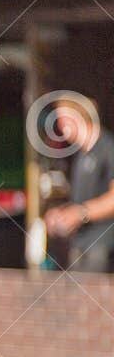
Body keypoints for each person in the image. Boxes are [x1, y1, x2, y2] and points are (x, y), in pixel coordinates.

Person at [42, 96, 114, 273]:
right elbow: (81, 201)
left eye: (63, 118)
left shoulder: (108, 148)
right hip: (80, 245)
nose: (60, 126)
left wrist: (81, 213)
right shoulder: (80, 155)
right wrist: (62, 214)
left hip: (102, 246)